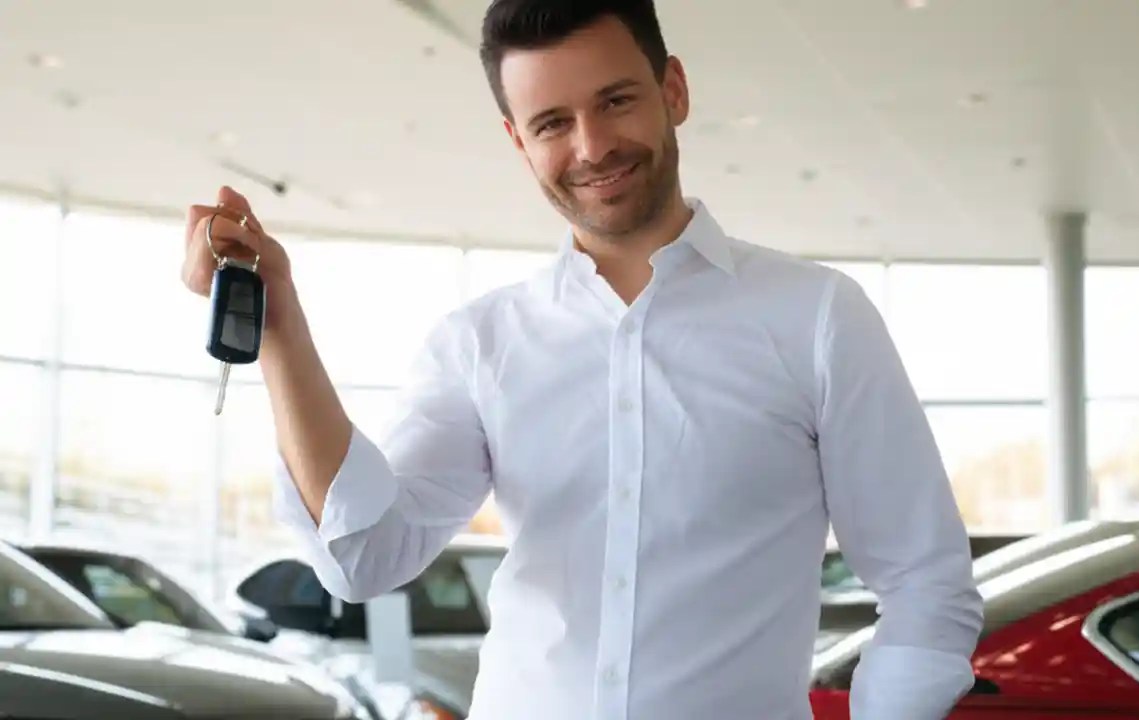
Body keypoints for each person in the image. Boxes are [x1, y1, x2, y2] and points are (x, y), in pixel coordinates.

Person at [181, 1, 982, 717]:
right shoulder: (480, 342)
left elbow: (925, 582)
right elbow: (364, 556)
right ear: (518, 142)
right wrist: (279, 323)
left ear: (673, 90)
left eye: (616, 101)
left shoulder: (816, 316)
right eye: (552, 122)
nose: (592, 146)